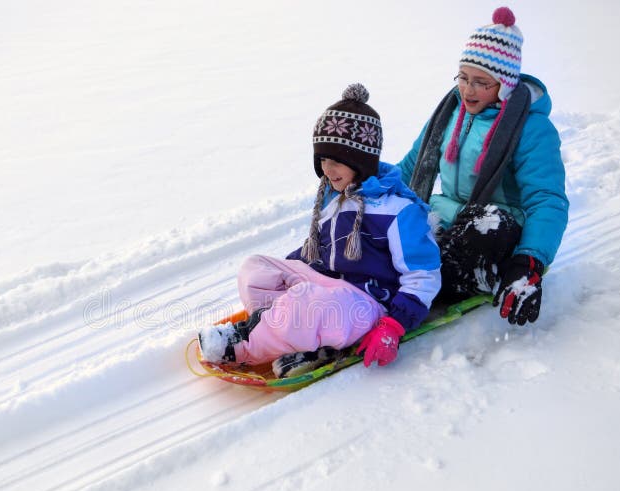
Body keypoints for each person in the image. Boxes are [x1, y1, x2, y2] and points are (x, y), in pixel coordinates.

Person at [198, 84, 441, 377]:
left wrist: (394, 324)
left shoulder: (399, 211)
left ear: (360, 160)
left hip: (370, 306)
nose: (328, 169)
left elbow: (424, 277)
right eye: (323, 159)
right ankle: (284, 327)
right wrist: (289, 274)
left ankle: (241, 348)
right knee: (256, 270)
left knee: (308, 303)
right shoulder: (334, 197)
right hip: (328, 289)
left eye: (337, 160)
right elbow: (319, 250)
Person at [397, 6, 569, 326]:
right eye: (463, 78)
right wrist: (366, 185)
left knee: (482, 222)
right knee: (397, 224)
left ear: (503, 85)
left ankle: (422, 282)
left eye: (480, 82)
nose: (467, 89)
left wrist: (528, 262)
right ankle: (406, 273)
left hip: (497, 233)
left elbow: (547, 199)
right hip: (450, 220)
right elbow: (410, 167)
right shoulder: (450, 113)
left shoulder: (531, 129)